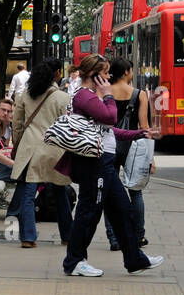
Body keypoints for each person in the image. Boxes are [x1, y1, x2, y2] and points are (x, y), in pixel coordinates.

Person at [57, 54, 162, 277]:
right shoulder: (86, 97)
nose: (108, 78)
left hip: (104, 162)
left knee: (123, 210)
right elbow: (111, 118)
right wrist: (108, 95)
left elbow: (108, 131)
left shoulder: (89, 97)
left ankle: (135, 259)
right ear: (94, 75)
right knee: (89, 212)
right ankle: (74, 261)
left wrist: (139, 133)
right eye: (104, 73)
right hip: (94, 163)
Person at [9, 61, 73, 248]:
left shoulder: (25, 96)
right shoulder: (63, 97)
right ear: (57, 74)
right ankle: (67, 235)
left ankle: (28, 236)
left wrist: (17, 143)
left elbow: (18, 124)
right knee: (60, 192)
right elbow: (69, 126)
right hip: (56, 149)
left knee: (28, 194)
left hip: (31, 149)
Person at [102, 58, 153, 251]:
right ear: (125, 72)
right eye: (131, 71)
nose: (132, 74)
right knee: (135, 191)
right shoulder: (139, 94)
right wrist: (150, 157)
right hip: (133, 147)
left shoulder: (104, 93)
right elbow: (144, 126)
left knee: (108, 193)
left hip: (108, 146)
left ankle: (114, 239)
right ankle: (138, 236)